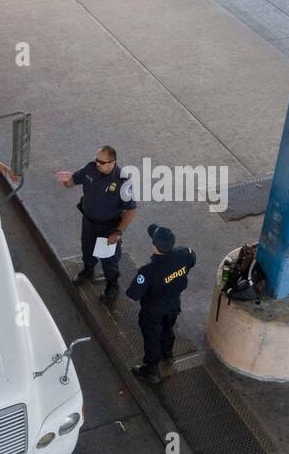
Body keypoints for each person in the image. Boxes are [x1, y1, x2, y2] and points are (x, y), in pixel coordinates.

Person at [55, 145, 136, 305]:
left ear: (113, 162)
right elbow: (71, 182)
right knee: (87, 249)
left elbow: (130, 210)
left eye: (102, 162)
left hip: (109, 227)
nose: (98, 163)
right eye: (97, 160)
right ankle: (88, 270)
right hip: (89, 222)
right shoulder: (90, 169)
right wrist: (65, 180)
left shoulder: (122, 181)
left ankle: (112, 285)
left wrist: (118, 232)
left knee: (109, 260)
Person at [126, 225, 196, 383]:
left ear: (154, 246)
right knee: (168, 329)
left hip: (153, 311)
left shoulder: (148, 271)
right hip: (173, 304)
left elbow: (133, 294)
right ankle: (167, 354)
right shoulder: (184, 254)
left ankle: (152, 371)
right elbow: (193, 260)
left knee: (152, 338)